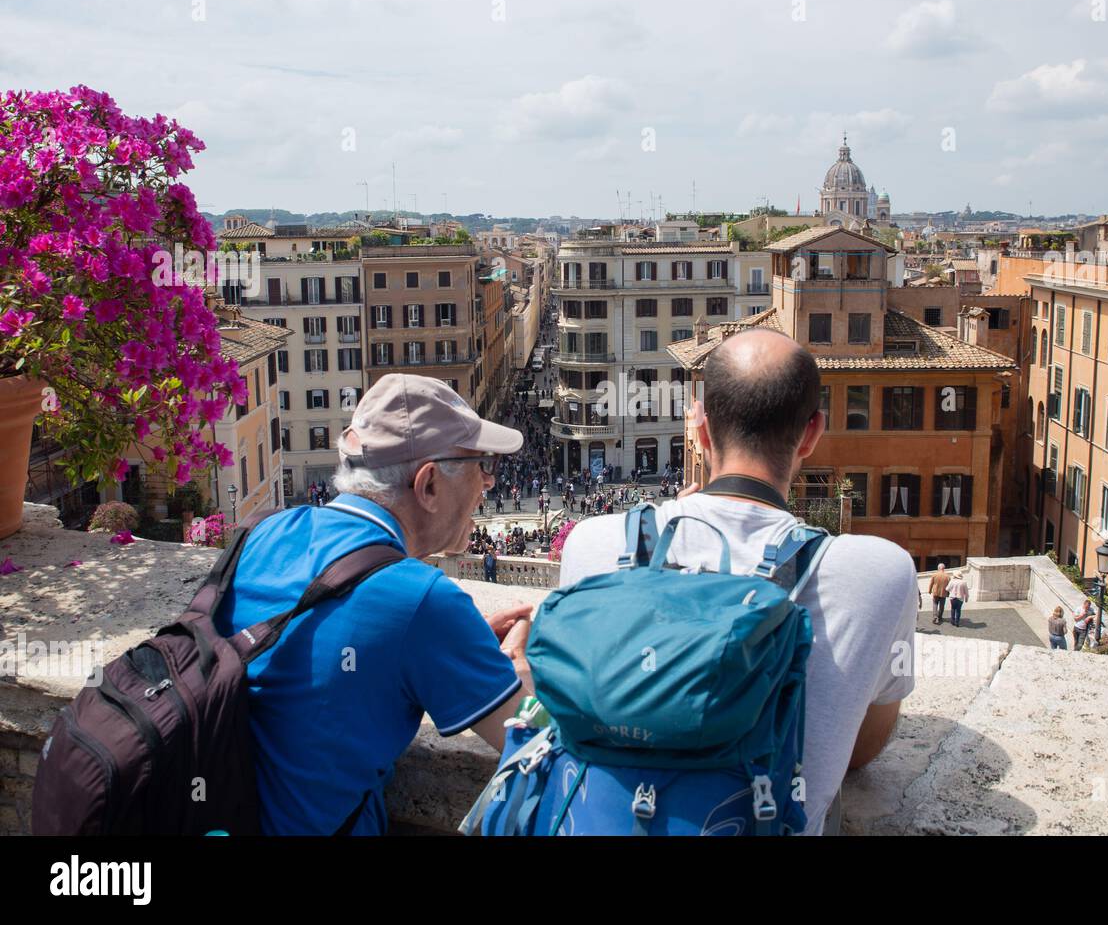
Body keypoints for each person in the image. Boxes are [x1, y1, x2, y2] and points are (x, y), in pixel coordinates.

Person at [557, 327, 916, 835]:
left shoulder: (593, 544)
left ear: (701, 431)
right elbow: (862, 748)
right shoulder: (881, 572)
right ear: (812, 433)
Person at [212, 374, 534, 835]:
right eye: (479, 465)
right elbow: (538, 747)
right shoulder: (423, 601)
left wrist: (448, 644)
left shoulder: (264, 531)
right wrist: (518, 667)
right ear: (427, 486)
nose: (488, 481)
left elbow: (329, 650)